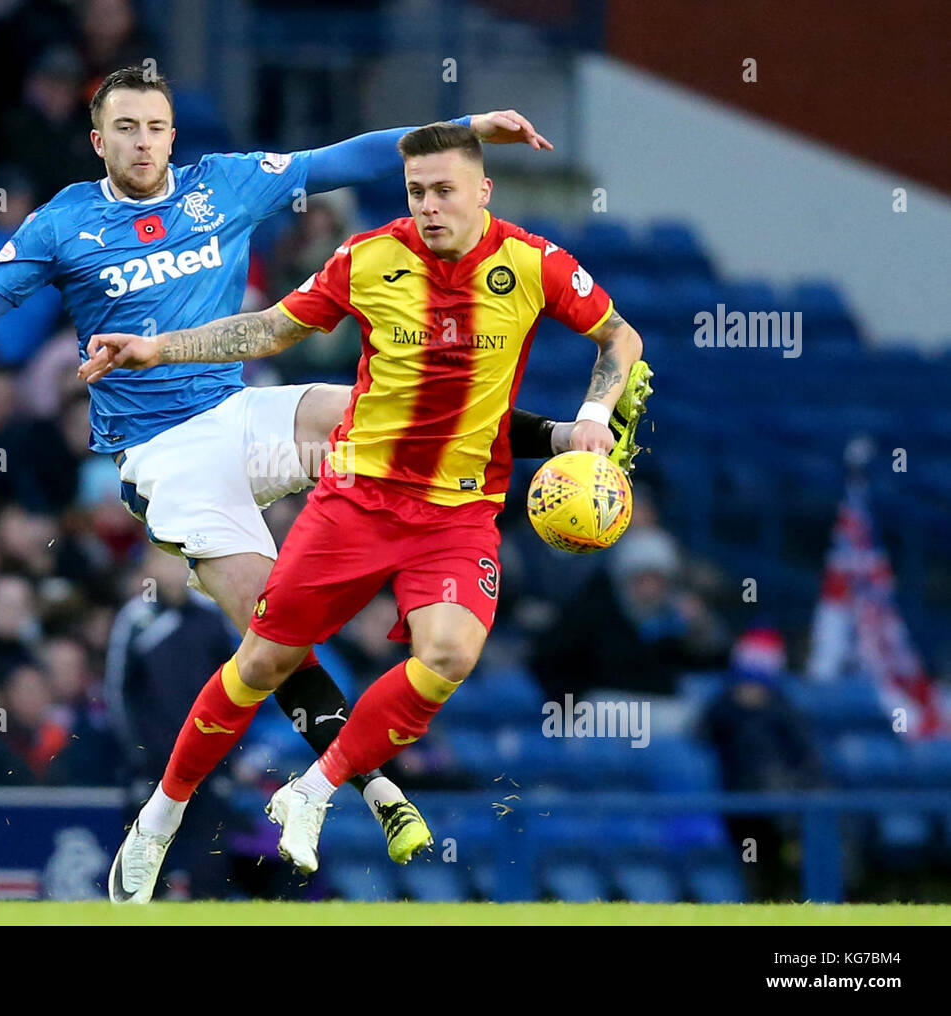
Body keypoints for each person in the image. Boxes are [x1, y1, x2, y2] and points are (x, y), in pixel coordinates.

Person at [0, 64, 564, 863]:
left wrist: (461, 135)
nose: (143, 143)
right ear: (98, 139)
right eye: (126, 129)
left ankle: (554, 444)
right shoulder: (62, 225)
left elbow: (337, 159)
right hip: (164, 455)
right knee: (272, 637)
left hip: (238, 409)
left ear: (174, 137)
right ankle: (360, 791)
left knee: (386, 409)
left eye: (156, 128)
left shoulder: (225, 184)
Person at [83, 121, 652, 902]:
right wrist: (161, 347)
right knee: (260, 664)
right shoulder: (370, 258)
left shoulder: (532, 262)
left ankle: (313, 788)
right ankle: (158, 820)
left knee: (449, 655)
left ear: (483, 191)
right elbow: (270, 327)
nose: (429, 207)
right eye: (416, 192)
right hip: (354, 500)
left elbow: (619, 338)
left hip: (457, 515)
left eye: (445, 191)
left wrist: (592, 411)